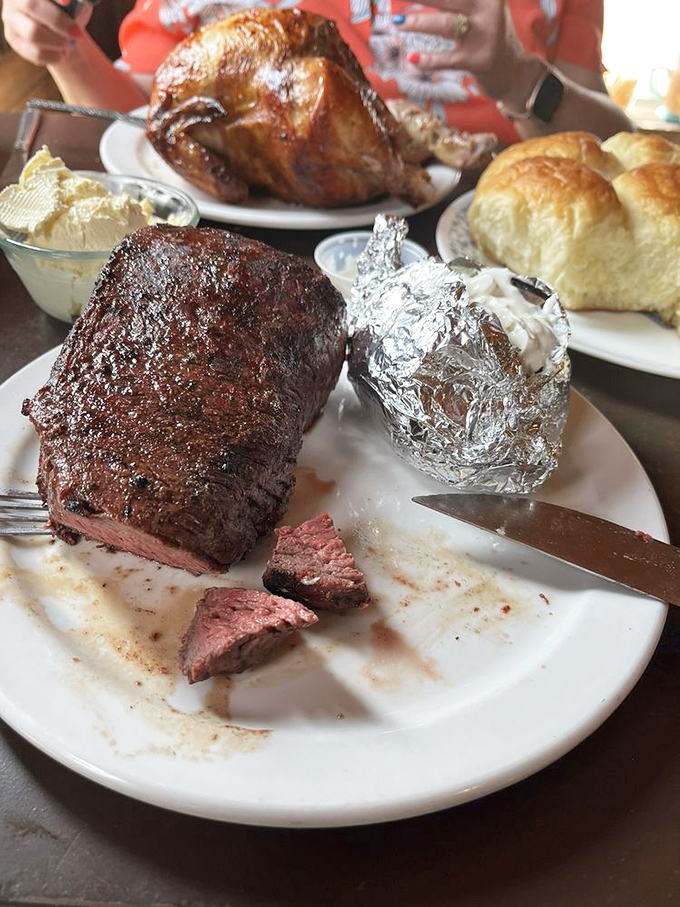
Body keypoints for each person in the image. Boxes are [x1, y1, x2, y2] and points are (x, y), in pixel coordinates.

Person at [2, 0, 632, 142]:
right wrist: (63, 44)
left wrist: (522, 79)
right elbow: (141, 113)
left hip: (476, 247)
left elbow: (613, 147)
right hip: (246, 240)